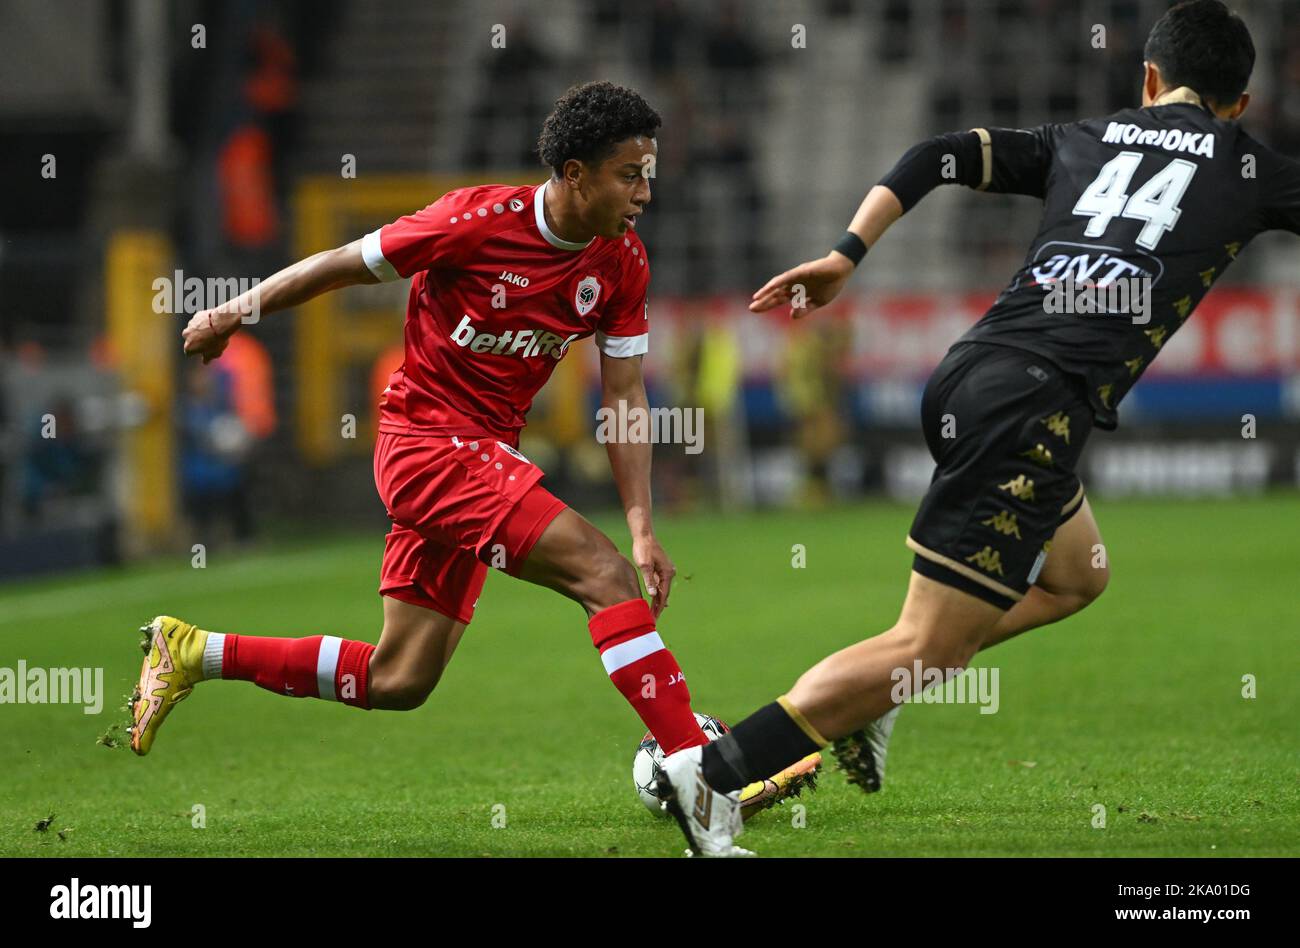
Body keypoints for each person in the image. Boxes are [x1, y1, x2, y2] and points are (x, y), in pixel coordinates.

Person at [657, 0, 1298, 855]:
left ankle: (869, 703)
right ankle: (712, 775)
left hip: (974, 374)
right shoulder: (1251, 170)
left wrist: (846, 254)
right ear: (1242, 104)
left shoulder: (1085, 136)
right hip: (1033, 408)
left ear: (1148, 81)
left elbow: (940, 153)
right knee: (926, 644)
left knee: (1077, 577)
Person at [131, 81, 814, 813]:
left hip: (479, 458)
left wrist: (644, 523)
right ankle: (704, 772)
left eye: (650, 173)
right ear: (575, 174)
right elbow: (337, 263)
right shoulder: (473, 221)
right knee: (603, 576)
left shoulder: (621, 263)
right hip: (425, 445)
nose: (644, 191)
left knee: (401, 679)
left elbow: (622, 396)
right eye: (629, 174)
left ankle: (194, 651)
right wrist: (233, 312)